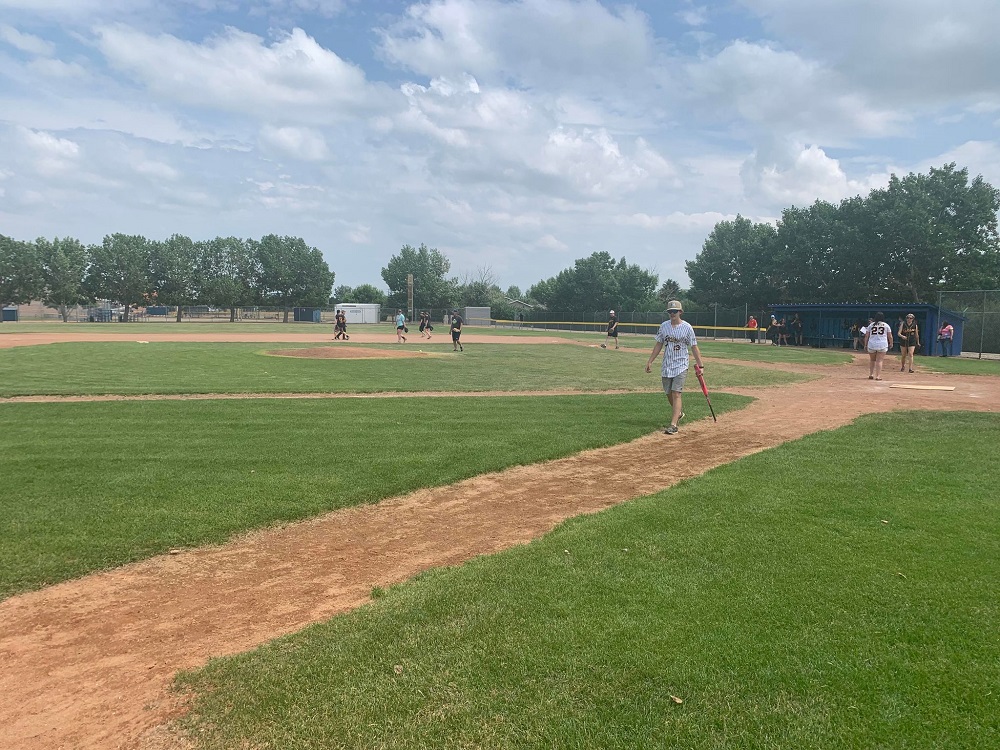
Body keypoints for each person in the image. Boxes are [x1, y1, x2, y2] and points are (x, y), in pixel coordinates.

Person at [645, 300, 704, 435]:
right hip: (667, 364)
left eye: (675, 311)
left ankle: (673, 425)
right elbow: (658, 344)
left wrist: (701, 365)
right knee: (668, 393)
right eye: (670, 312)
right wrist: (650, 361)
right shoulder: (664, 326)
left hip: (681, 364)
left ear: (680, 312)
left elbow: (694, 346)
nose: (672, 314)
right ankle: (679, 413)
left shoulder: (687, 327)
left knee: (676, 393)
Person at [864, 311, 893, 380]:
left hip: (872, 344)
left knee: (872, 360)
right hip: (882, 344)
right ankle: (878, 376)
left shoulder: (871, 325)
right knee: (879, 361)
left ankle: (871, 374)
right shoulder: (886, 325)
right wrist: (891, 343)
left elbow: (866, 336)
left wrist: (865, 344)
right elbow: (890, 336)